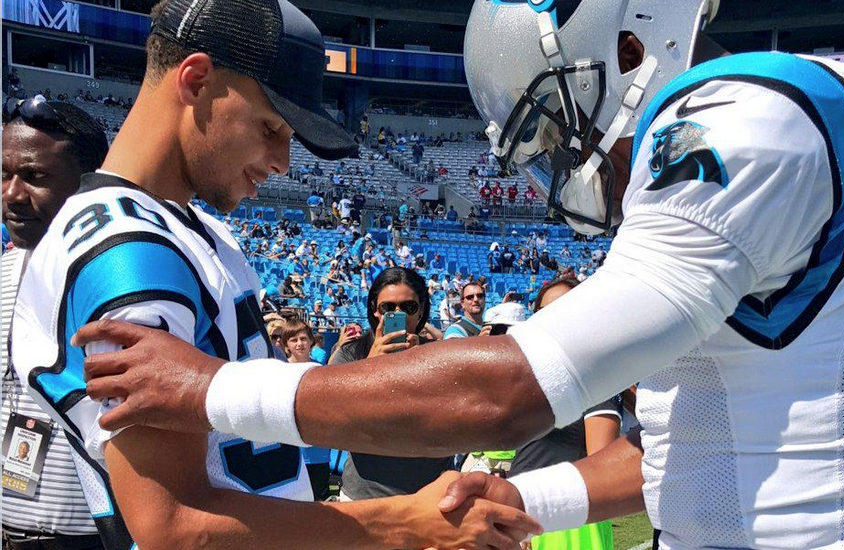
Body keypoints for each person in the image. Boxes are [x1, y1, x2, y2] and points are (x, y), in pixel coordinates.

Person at [67, 0, 844, 548]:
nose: (556, 162)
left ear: (630, 45)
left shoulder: (753, 109)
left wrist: (214, 389)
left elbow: (509, 393)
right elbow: (677, 450)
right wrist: (518, 497)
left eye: (550, 124)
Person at [12, 1, 536, 549]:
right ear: (195, 80)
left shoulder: (192, 229)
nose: (283, 160)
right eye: (270, 127)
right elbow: (173, 525)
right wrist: (404, 522)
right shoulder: (128, 252)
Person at [2, 99, 110, 549]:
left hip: (88, 538)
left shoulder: (115, 281)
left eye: (35, 176)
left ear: (86, 184)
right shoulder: (4, 273)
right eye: (4, 174)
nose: (12, 193)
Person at [510, 278, 622, 550]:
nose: (553, 318)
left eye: (564, 308)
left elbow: (601, 470)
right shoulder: (534, 378)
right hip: (522, 512)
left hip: (565, 522)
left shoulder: (593, 377)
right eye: (544, 311)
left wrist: (534, 513)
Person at [330, 268, 454, 501]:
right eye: (388, 307)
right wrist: (370, 366)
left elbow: (454, 414)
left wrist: (424, 364)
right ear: (375, 311)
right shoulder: (351, 354)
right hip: (365, 496)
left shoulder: (442, 356)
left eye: (409, 307)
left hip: (431, 495)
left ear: (421, 310)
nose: (399, 314)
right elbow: (333, 415)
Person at [280, 319, 331, 500]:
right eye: (293, 340)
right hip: (288, 449)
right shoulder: (278, 371)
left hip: (316, 451)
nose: (299, 344)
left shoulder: (321, 371)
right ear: (286, 345)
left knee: (317, 502)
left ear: (311, 342)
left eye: (303, 339)